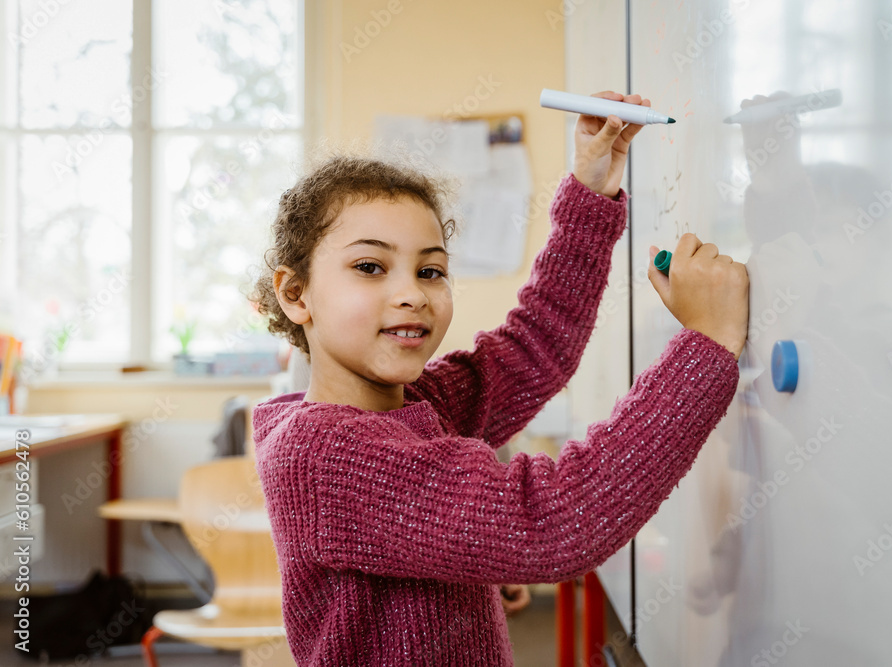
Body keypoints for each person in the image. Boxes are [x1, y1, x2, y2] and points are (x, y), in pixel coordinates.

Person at [248, 91, 749, 666]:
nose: (412, 292)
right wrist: (704, 348)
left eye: (431, 270)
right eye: (370, 267)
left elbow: (532, 346)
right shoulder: (326, 453)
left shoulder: (412, 404)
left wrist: (591, 191)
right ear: (295, 294)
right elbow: (554, 522)